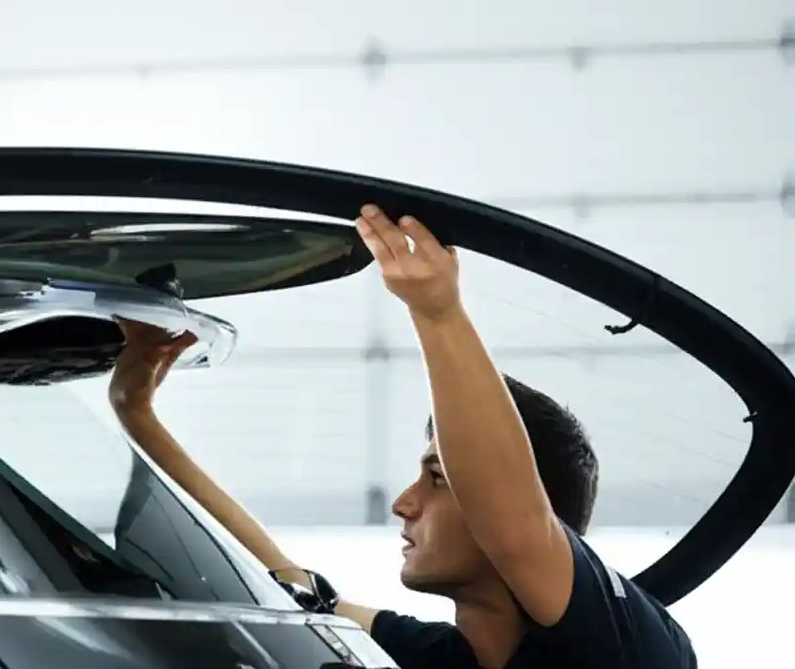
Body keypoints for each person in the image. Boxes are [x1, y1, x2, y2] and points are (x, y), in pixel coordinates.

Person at [107, 205, 696, 668]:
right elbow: (285, 588)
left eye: (437, 476)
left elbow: (513, 525)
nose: (403, 503)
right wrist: (136, 412)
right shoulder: (437, 657)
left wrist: (437, 312)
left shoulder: (634, 648)